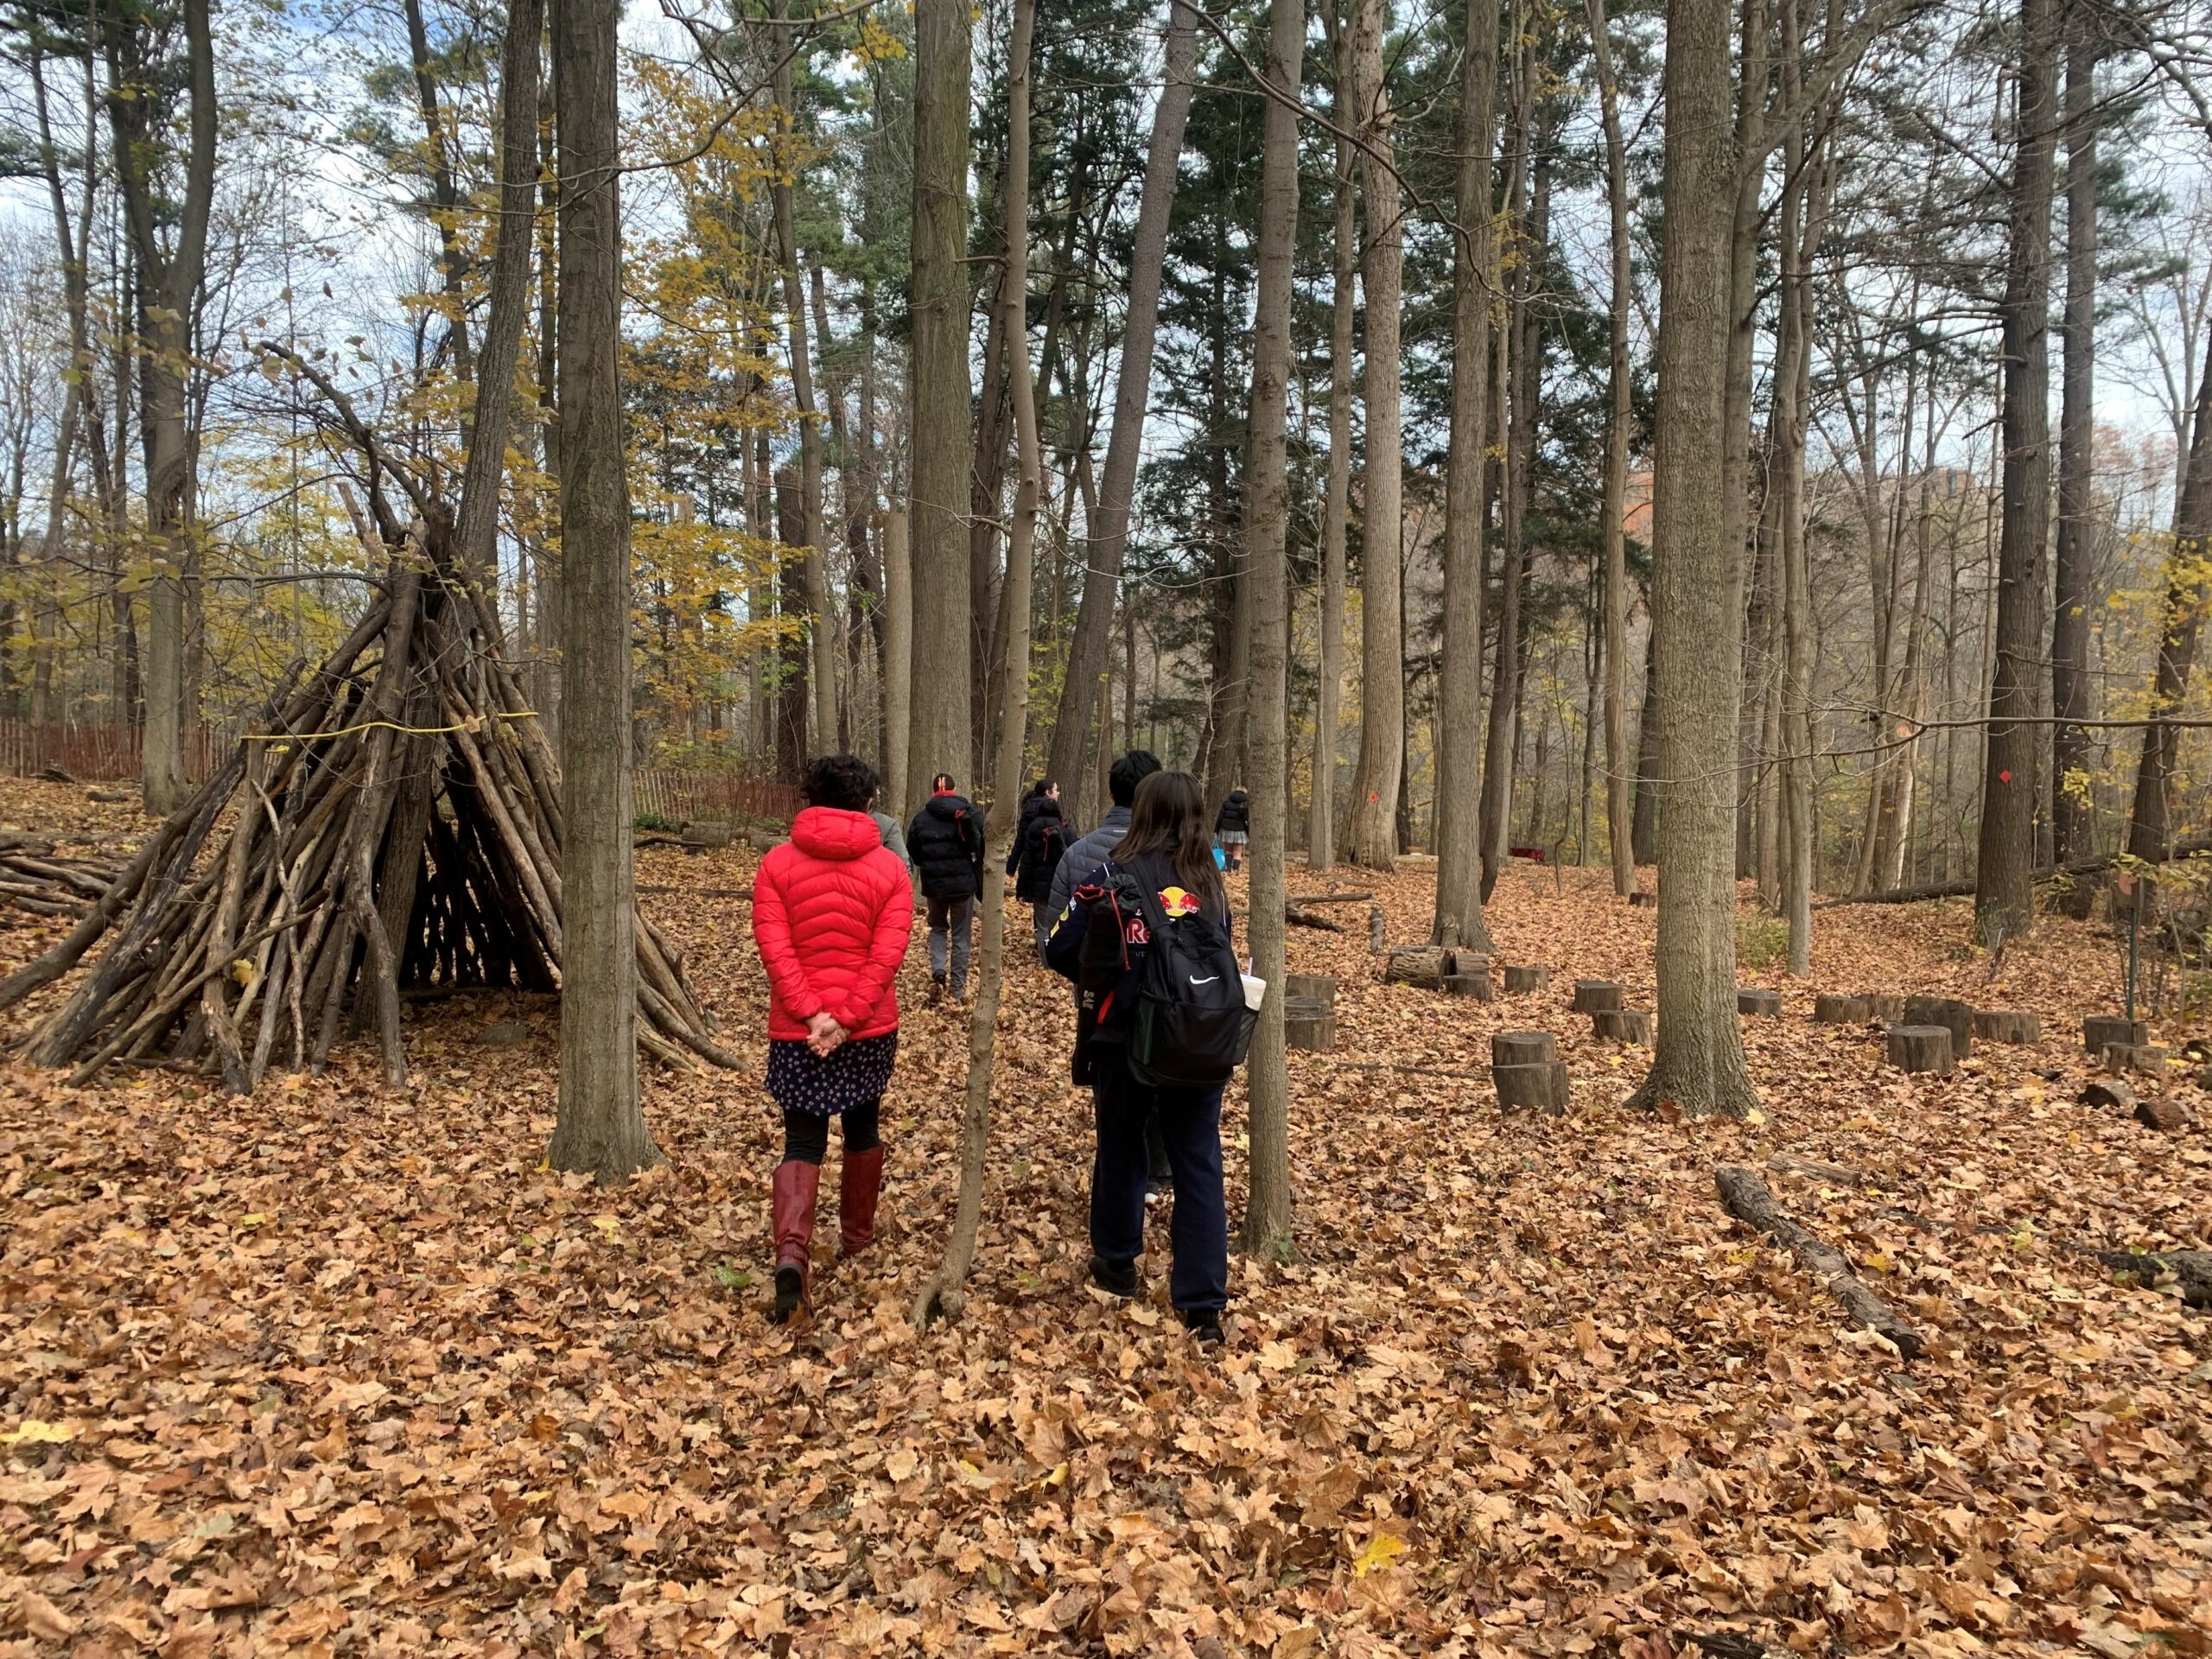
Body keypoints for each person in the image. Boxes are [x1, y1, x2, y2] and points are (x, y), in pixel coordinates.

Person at [1046, 770, 1233, 1346]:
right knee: (1198, 1162)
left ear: (1143, 812)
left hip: (1123, 1037)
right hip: (1200, 1042)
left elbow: (1058, 946)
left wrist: (1105, 973)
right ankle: (1202, 1304)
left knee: (1123, 1147)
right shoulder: (1212, 883)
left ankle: (1118, 1261)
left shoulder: (1113, 876)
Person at [752, 754, 915, 1325]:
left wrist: (809, 1013)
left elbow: (775, 948)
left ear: (810, 800)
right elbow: (887, 953)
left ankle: (792, 1255)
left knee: (802, 1140)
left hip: (798, 1029)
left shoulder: (775, 865)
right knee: (863, 1127)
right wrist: (845, 1018)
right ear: (869, 803)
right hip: (867, 1026)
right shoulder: (892, 871)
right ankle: (857, 1240)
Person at [1046, 751, 1172, 1193]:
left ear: (1112, 792)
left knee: (1112, 1084)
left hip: (1098, 997)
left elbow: (1053, 935)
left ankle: (1123, 1177)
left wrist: (1091, 975)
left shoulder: (1078, 853)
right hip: (1162, 992)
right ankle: (1155, 1174)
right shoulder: (1170, 859)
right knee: (1159, 1074)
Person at [906, 771, 984, 1001]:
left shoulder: (921, 818)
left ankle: (938, 969)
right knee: (961, 937)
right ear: (954, 790)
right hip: (963, 886)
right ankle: (957, 988)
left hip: (934, 886)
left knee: (938, 928)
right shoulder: (967, 813)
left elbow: (914, 851)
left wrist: (927, 864)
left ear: (934, 791)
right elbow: (980, 844)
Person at [1014, 787, 1069, 952]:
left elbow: (1026, 862)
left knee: (1042, 926)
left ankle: (1045, 960)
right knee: (1061, 921)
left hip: (1039, 888)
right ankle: (1059, 957)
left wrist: (1021, 890)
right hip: (1061, 885)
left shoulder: (1032, 829)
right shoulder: (1064, 830)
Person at [1005, 779, 1065, 879]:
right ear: (1047, 792)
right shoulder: (1047, 811)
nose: (1058, 793)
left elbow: (1020, 841)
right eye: (1056, 790)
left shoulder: (1028, 808)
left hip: (1028, 862)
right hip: (1045, 864)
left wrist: (1011, 867)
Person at [1214, 785, 1251, 873]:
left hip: (1226, 829)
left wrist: (1216, 829)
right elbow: (1246, 819)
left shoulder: (1227, 802)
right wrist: (1248, 832)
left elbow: (1220, 817)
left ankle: (1228, 869)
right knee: (1237, 852)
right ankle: (1235, 870)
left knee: (1228, 851)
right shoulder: (1246, 803)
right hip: (1240, 831)